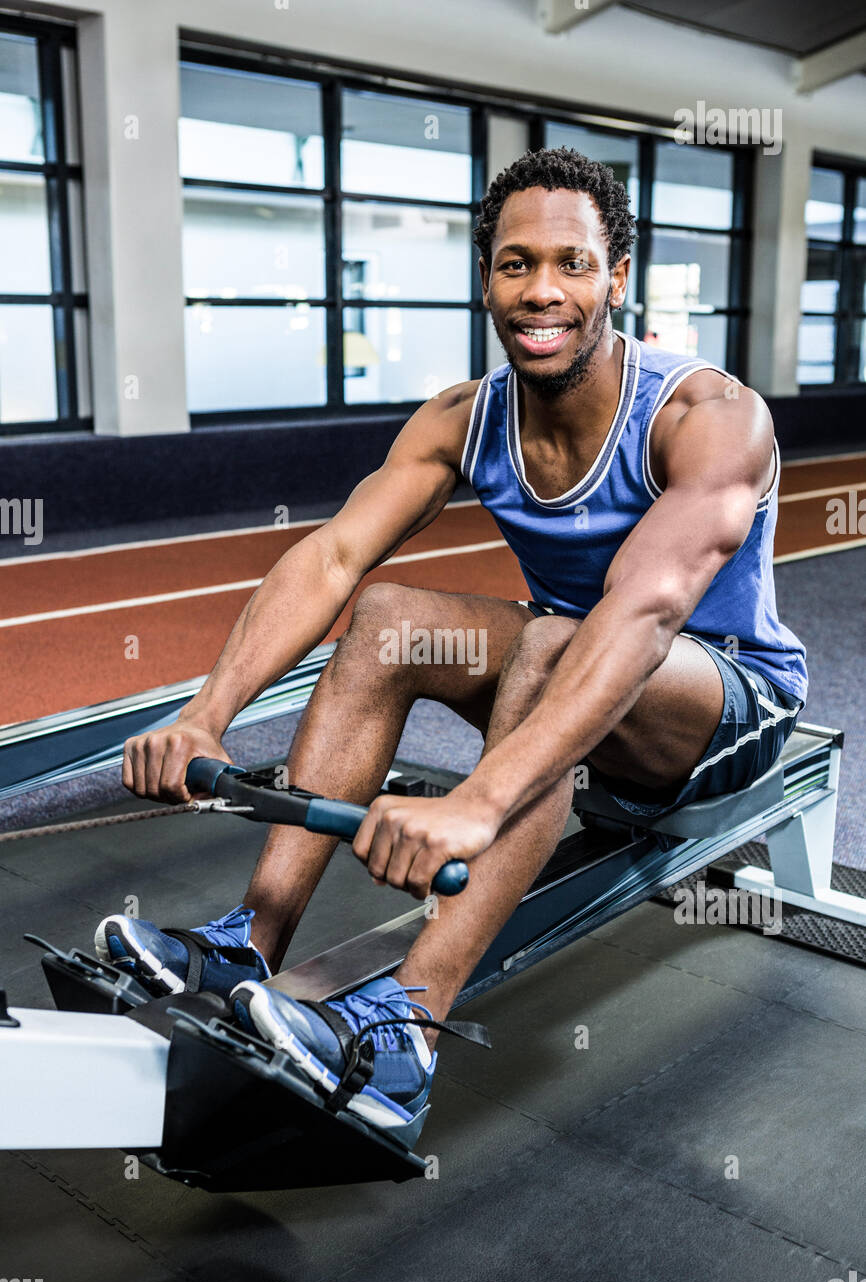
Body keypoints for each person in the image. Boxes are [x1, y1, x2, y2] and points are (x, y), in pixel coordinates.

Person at [96, 147, 807, 1144]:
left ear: (616, 276)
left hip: (722, 709)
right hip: (567, 674)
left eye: (570, 262)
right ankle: (245, 942)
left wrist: (479, 799)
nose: (541, 290)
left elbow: (640, 618)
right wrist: (205, 711)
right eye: (515, 264)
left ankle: (407, 1031)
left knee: (560, 642)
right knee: (388, 614)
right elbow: (335, 553)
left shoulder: (705, 415)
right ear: (485, 280)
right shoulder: (463, 418)